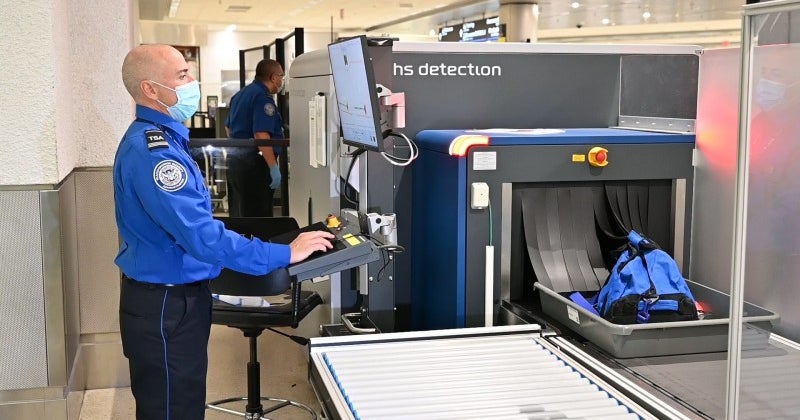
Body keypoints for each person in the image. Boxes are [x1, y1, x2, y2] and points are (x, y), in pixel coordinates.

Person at [114, 44, 334, 420]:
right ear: (151, 89)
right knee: (172, 409)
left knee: (178, 402)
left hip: (175, 299)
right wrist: (283, 253)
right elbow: (203, 238)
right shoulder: (155, 154)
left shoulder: (166, 141)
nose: (193, 82)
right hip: (166, 305)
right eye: (182, 76)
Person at [225, 59, 286, 217]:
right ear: (273, 77)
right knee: (259, 215)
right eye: (281, 76)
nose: (282, 80)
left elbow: (228, 127)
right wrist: (273, 167)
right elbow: (261, 135)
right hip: (255, 165)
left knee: (240, 212)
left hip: (235, 161)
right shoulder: (262, 98)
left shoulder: (240, 95)